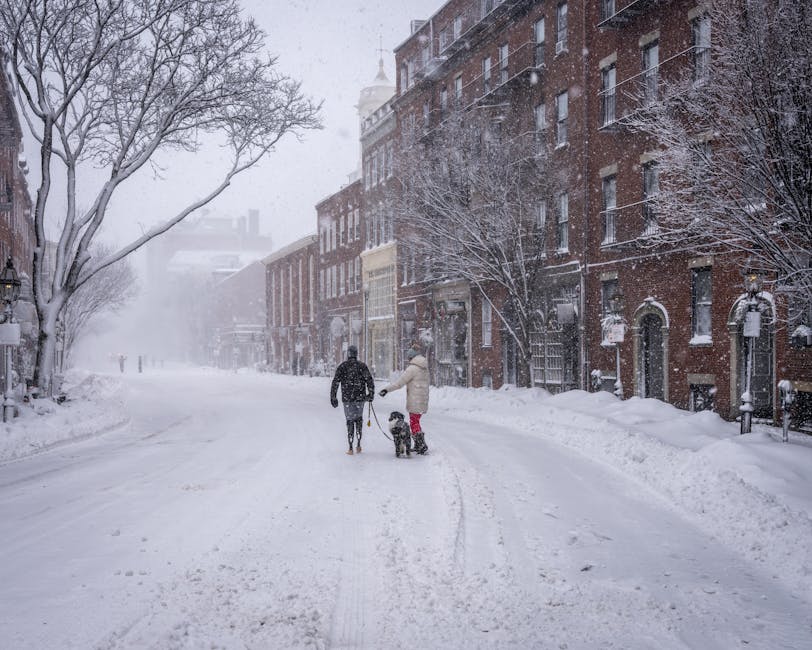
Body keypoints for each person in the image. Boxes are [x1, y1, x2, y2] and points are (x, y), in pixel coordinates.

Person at [379, 348, 430, 454]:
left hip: (415, 399)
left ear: (412, 358)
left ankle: (421, 445)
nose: (408, 360)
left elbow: (399, 383)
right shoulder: (424, 367)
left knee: (413, 422)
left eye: (409, 358)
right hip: (423, 398)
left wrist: (386, 390)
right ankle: (418, 444)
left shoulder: (412, 369)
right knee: (416, 421)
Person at [330, 345, 375, 455]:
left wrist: (333, 397)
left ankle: (350, 446)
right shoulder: (362, 366)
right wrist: (371, 394)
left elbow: (335, 382)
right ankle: (358, 442)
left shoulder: (343, 366)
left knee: (350, 420)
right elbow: (369, 380)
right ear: (356, 354)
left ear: (348, 354)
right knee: (358, 418)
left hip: (347, 399)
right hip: (360, 398)